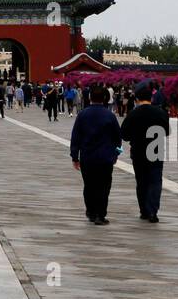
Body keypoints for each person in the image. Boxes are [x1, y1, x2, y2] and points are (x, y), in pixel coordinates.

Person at [70, 88, 122, 225]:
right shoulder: (109, 115)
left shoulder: (82, 114)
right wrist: (116, 154)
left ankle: (91, 212)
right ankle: (100, 215)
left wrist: (75, 157)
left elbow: (75, 137)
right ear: (104, 99)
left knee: (89, 185)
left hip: (87, 157)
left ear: (89, 98)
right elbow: (118, 137)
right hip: (105, 158)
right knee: (104, 187)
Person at [120, 81, 168, 223]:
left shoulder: (133, 114)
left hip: (138, 152)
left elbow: (124, 134)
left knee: (141, 182)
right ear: (151, 98)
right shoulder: (160, 112)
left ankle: (144, 211)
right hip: (156, 150)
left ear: (137, 99)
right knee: (155, 181)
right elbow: (167, 131)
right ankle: (153, 211)